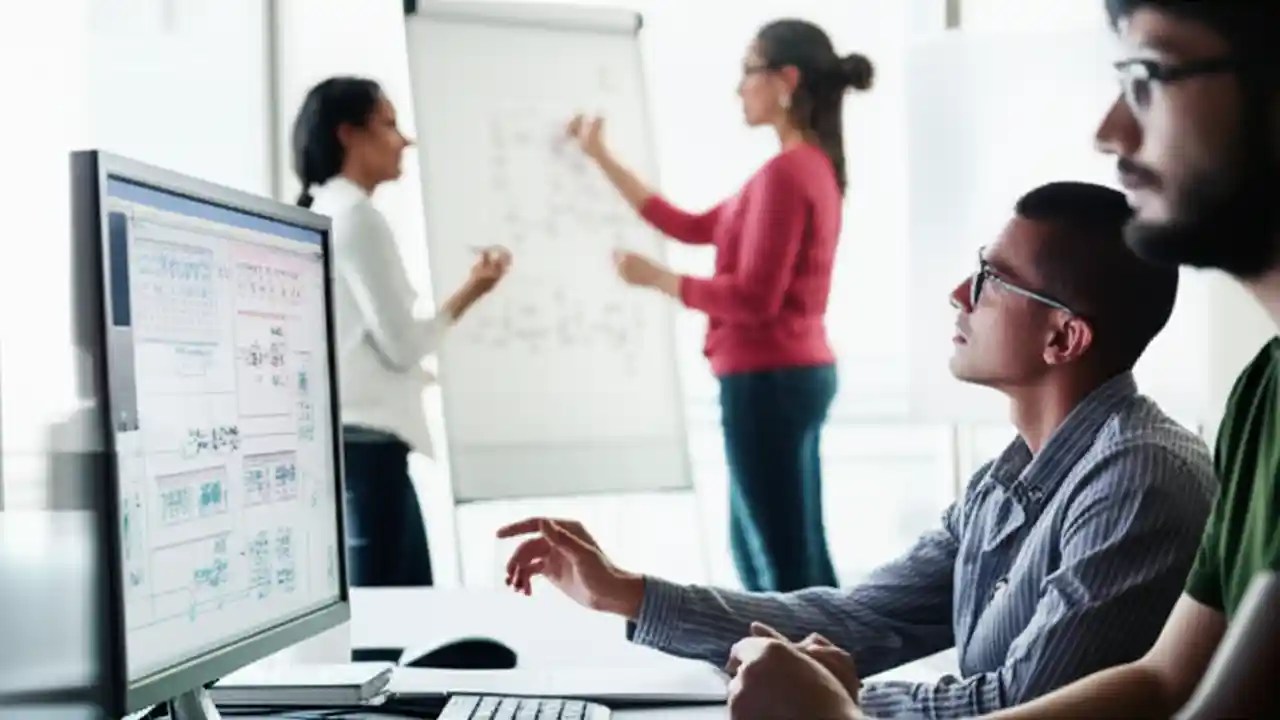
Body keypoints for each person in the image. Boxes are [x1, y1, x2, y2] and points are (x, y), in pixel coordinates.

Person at [498, 182, 1218, 718]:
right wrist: (623, 591)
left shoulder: (1140, 480)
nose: (958, 293)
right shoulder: (1008, 480)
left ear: (1063, 338)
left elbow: (1022, 703)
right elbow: (860, 620)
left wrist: (840, 704)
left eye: (992, 281)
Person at [563, 19, 874, 593]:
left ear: (786, 80)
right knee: (784, 544)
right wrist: (600, 156)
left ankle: (803, 674)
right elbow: (687, 224)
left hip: (769, 377)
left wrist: (659, 279)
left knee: (775, 556)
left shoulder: (788, 173)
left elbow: (754, 299)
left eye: (747, 72)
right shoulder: (799, 168)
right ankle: (815, 668)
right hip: (784, 374)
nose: (738, 89)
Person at [291, 76, 511, 587]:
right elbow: (403, 346)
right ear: (349, 134)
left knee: (382, 608)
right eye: (388, 124)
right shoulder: (356, 217)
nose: (404, 140)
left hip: (350, 445)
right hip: (369, 451)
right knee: (394, 615)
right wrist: (473, 290)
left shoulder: (325, 209)